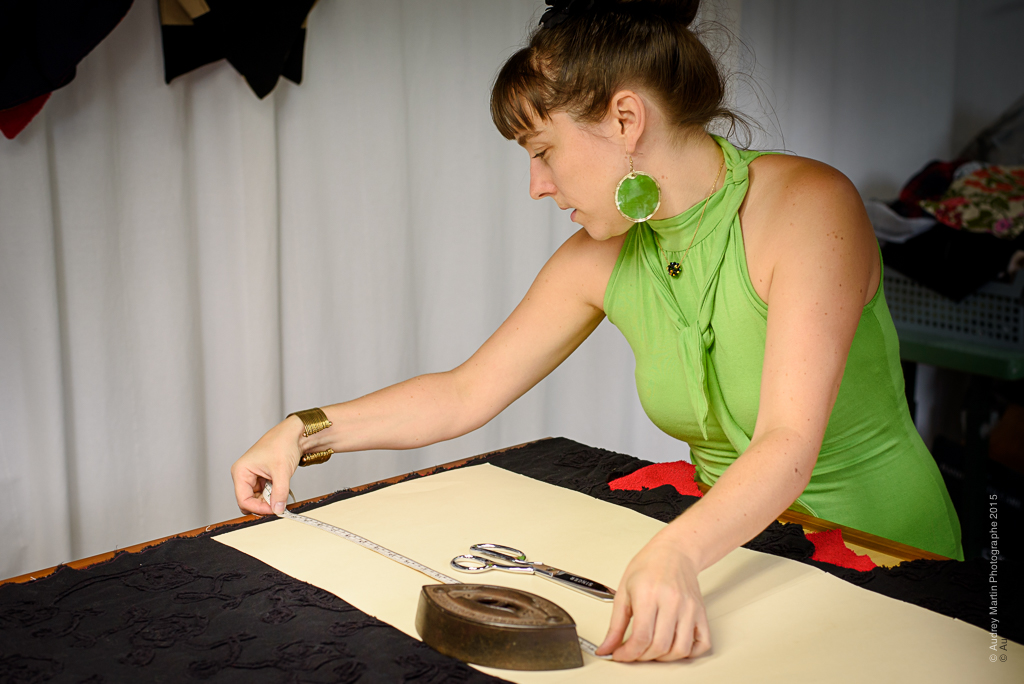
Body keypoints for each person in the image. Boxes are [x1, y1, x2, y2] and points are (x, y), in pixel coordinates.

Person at [231, 0, 963, 664]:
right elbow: (462, 393)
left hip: (889, 561)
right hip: (740, 555)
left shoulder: (810, 205)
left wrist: (673, 551)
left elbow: (786, 445)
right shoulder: (603, 253)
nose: (536, 186)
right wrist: (303, 430)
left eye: (543, 151)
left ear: (624, 120)